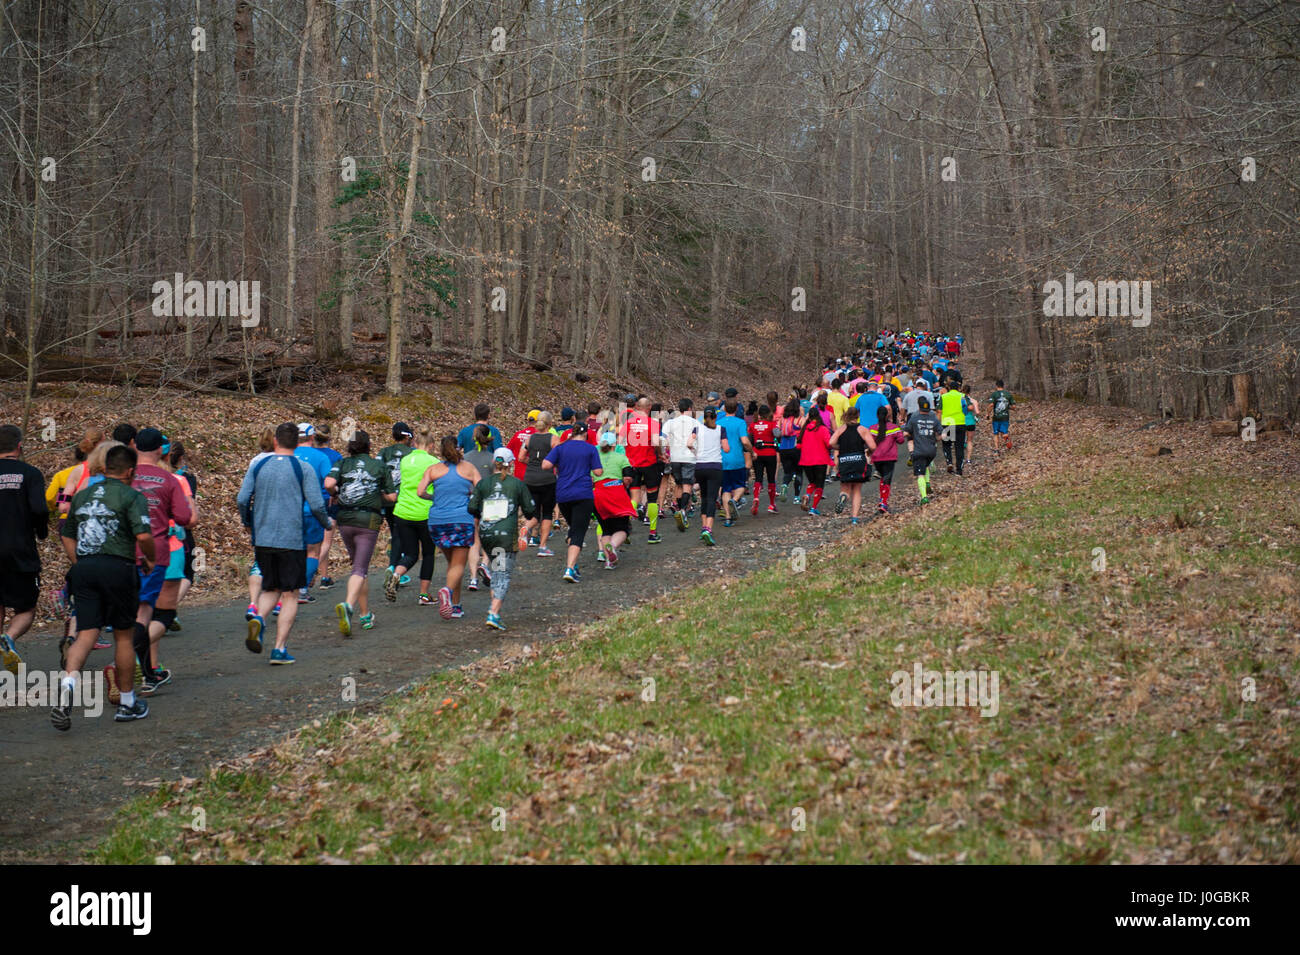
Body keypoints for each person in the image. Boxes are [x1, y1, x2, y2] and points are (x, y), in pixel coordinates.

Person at [55, 444, 154, 729]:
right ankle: (127, 703)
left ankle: (68, 686)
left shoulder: (83, 494)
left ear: (105, 467)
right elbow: (144, 534)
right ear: (131, 471)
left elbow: (67, 534)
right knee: (124, 635)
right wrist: (150, 557)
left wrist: (79, 562)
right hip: (118, 568)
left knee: (86, 634)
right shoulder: (132, 496)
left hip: (85, 569)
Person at [237, 422, 333, 664]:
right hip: (291, 539)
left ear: (277, 441)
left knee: (270, 587)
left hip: (263, 538)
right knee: (290, 594)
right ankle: (279, 649)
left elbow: (242, 498)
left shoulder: (259, 465)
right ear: (298, 442)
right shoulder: (304, 468)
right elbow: (316, 504)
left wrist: (247, 521)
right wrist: (326, 523)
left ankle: (258, 618)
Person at [130, 428, 193, 693]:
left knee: (135, 614)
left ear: (134, 448)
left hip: (122, 553)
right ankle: (126, 658)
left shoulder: (124, 476)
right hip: (157, 551)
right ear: (160, 450)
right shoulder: (169, 479)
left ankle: (146, 673)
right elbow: (184, 518)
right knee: (162, 614)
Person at [325, 430, 397, 635]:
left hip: (345, 519)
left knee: (359, 566)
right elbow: (392, 496)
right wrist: (376, 496)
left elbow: (329, 484)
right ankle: (348, 605)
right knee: (359, 569)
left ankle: (365, 615)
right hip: (368, 520)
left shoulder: (342, 463)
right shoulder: (379, 466)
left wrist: (336, 494)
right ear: (369, 445)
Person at [467, 448, 535, 630]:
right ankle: (494, 612)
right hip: (506, 536)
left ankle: (495, 611)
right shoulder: (516, 484)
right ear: (511, 463)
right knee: (502, 574)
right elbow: (530, 511)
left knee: (497, 572)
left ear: (493, 463)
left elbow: (472, 508)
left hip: (487, 535)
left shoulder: (483, 485)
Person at [0, 425, 49, 676]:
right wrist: (41, 531)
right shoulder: (30, 474)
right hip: (20, 550)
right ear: (19, 447)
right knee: (26, 608)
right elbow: (40, 509)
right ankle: (8, 638)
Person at [417, 436, 482, 620]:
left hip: (437, 521)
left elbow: (420, 491)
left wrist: (434, 498)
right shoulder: (468, 468)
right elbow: (481, 489)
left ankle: (456, 605)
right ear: (459, 448)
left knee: (453, 565)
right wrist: (470, 494)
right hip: (461, 520)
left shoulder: (433, 469)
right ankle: (447, 591)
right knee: (459, 564)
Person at [542, 423, 602, 582]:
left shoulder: (561, 448)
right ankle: (569, 569)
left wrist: (560, 464)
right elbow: (598, 471)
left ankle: (574, 565)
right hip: (583, 494)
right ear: (586, 434)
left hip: (563, 495)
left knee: (574, 530)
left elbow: (545, 465)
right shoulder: (590, 449)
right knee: (578, 534)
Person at [389, 427, 439, 605]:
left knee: (410, 553)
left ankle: (396, 574)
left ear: (415, 443)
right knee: (428, 554)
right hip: (425, 513)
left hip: (402, 511)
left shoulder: (405, 460)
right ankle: (424, 595)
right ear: (432, 445)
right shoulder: (434, 462)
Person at [620, 397, 664, 543]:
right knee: (652, 498)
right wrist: (660, 454)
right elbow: (657, 442)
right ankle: (652, 533)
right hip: (649, 463)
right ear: (649, 407)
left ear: (637, 407)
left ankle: (624, 527)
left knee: (634, 497)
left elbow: (620, 442)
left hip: (632, 464)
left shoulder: (628, 423)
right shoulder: (653, 423)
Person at [377, 423, 415, 587]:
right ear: (407, 437)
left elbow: (376, 471)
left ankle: (395, 567)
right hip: (405, 499)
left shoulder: (384, 452)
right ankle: (394, 568)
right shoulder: (412, 453)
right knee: (401, 534)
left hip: (387, 498)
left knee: (395, 532)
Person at [593, 431, 636, 567]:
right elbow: (628, 477)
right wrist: (624, 483)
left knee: (606, 529)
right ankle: (612, 545)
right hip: (616, 492)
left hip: (598, 494)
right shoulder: (620, 457)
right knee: (623, 528)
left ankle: (609, 561)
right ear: (614, 445)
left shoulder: (594, 458)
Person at [520, 414, 559, 557]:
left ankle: (526, 528)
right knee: (547, 513)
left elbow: (521, 457)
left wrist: (532, 463)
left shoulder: (529, 439)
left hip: (530, 478)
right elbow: (558, 458)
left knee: (534, 513)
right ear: (550, 424)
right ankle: (542, 547)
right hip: (547, 478)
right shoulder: (553, 439)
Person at [312, 423, 343, 589]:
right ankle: (310, 571)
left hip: (310, 499)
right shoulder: (335, 456)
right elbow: (340, 479)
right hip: (329, 499)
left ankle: (324, 576)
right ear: (330, 437)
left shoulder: (309, 454)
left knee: (316, 541)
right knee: (326, 541)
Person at [692, 408, 728, 546]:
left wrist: (695, 451)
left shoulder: (697, 429)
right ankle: (708, 529)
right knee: (712, 498)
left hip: (700, 466)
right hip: (715, 467)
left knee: (705, 497)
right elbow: (726, 448)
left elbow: (689, 443)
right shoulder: (720, 429)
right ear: (715, 416)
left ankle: (703, 528)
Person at [829, 409, 870, 524]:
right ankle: (854, 518)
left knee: (845, 488)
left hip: (844, 460)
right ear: (857, 416)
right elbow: (873, 445)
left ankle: (843, 497)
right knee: (857, 490)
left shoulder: (841, 429)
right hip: (858, 459)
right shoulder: (862, 429)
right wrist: (866, 449)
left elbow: (831, 443)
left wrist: (839, 447)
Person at [663, 397, 698, 530]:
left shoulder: (671, 423)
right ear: (689, 408)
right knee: (687, 485)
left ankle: (678, 509)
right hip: (689, 457)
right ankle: (683, 510)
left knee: (678, 484)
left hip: (675, 457)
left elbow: (663, 438)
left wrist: (664, 454)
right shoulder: (696, 422)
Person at [717, 399, 751, 526]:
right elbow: (745, 441)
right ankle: (735, 500)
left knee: (725, 489)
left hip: (722, 459)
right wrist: (751, 451)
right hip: (737, 459)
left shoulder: (718, 423)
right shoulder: (740, 423)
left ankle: (727, 518)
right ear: (736, 409)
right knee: (740, 485)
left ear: (724, 409)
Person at [866, 406, 906, 514]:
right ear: (887, 415)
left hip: (877, 458)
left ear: (877, 415)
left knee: (883, 479)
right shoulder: (894, 427)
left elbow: (869, 442)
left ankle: (882, 499)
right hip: (889, 457)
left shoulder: (872, 428)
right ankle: (883, 502)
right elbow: (901, 440)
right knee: (887, 480)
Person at [904, 396, 941, 504]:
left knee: (920, 474)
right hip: (931, 451)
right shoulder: (933, 417)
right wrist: (936, 439)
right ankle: (928, 482)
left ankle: (924, 497)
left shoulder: (914, 417)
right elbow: (941, 433)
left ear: (919, 407)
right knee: (925, 465)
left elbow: (907, 432)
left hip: (919, 450)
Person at [797, 405, 833, 515]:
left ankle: (807, 495)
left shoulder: (804, 430)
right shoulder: (822, 429)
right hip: (820, 460)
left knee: (812, 482)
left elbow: (798, 446)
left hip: (806, 461)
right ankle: (813, 508)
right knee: (819, 484)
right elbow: (829, 443)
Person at [748, 404, 779, 514]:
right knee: (771, 479)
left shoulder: (753, 425)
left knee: (758, 478)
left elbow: (750, 439)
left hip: (757, 453)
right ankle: (771, 504)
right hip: (770, 452)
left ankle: (756, 497)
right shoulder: (772, 424)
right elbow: (778, 435)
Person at [939, 378, 969, 475]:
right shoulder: (962, 396)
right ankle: (959, 470)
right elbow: (967, 409)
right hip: (960, 424)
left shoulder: (943, 397)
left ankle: (949, 462)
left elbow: (939, 411)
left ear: (949, 388)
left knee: (946, 444)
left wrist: (937, 424)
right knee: (959, 447)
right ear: (958, 388)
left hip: (947, 424)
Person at [776, 398, 804, 503]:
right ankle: (796, 497)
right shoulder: (800, 419)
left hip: (783, 448)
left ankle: (784, 485)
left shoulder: (782, 419)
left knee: (787, 472)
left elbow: (777, 432)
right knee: (799, 472)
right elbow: (804, 434)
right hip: (796, 448)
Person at [989, 379, 1014, 453]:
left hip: (996, 417)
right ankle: (1006, 436)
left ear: (996, 386)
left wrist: (988, 413)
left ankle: (997, 449)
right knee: (1004, 432)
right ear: (1003, 386)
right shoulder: (1008, 394)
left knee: (996, 433)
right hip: (1005, 417)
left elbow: (991, 405)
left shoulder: (994, 394)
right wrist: (1007, 406)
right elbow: (1014, 407)